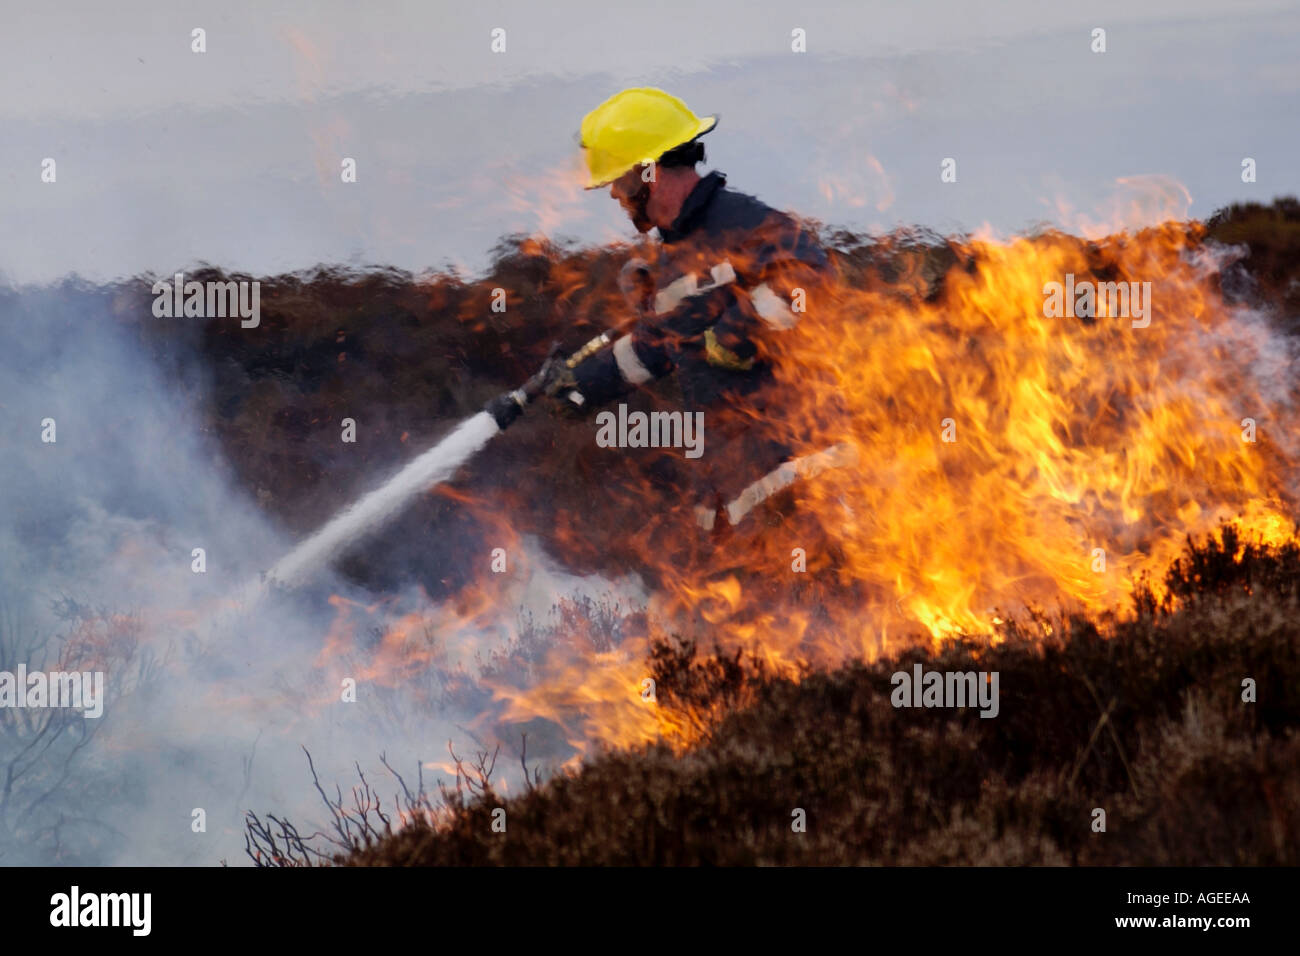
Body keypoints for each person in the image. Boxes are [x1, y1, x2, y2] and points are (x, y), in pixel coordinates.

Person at [488, 87, 852, 534]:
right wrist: (581, 386)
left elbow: (811, 281)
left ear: (648, 173)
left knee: (831, 602)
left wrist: (738, 332)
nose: (615, 196)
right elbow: (656, 346)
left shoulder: (742, 223)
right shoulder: (675, 255)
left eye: (619, 182)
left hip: (805, 478)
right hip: (736, 491)